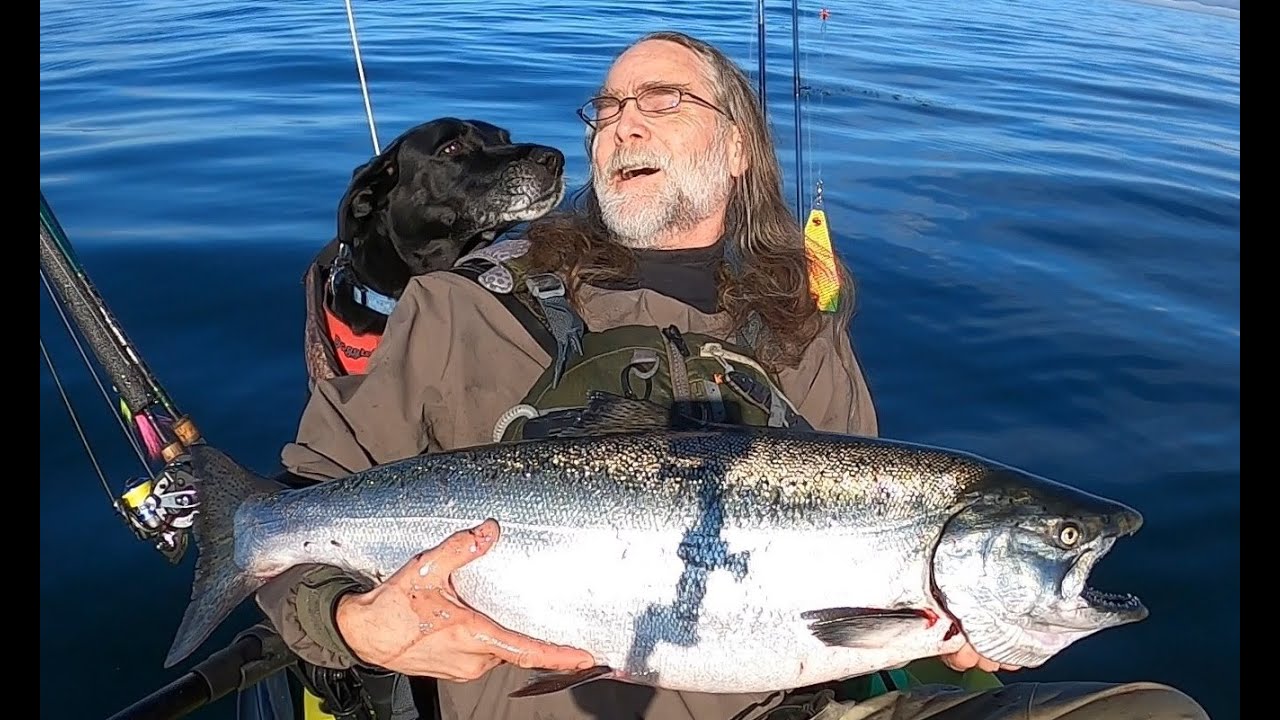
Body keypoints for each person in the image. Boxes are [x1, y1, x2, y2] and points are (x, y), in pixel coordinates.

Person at [258, 30, 1212, 720]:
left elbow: (868, 611)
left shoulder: (806, 337)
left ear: (739, 145)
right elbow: (293, 511)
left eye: (662, 100)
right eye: (608, 108)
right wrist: (349, 622)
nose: (620, 124)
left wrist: (970, 629)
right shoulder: (462, 308)